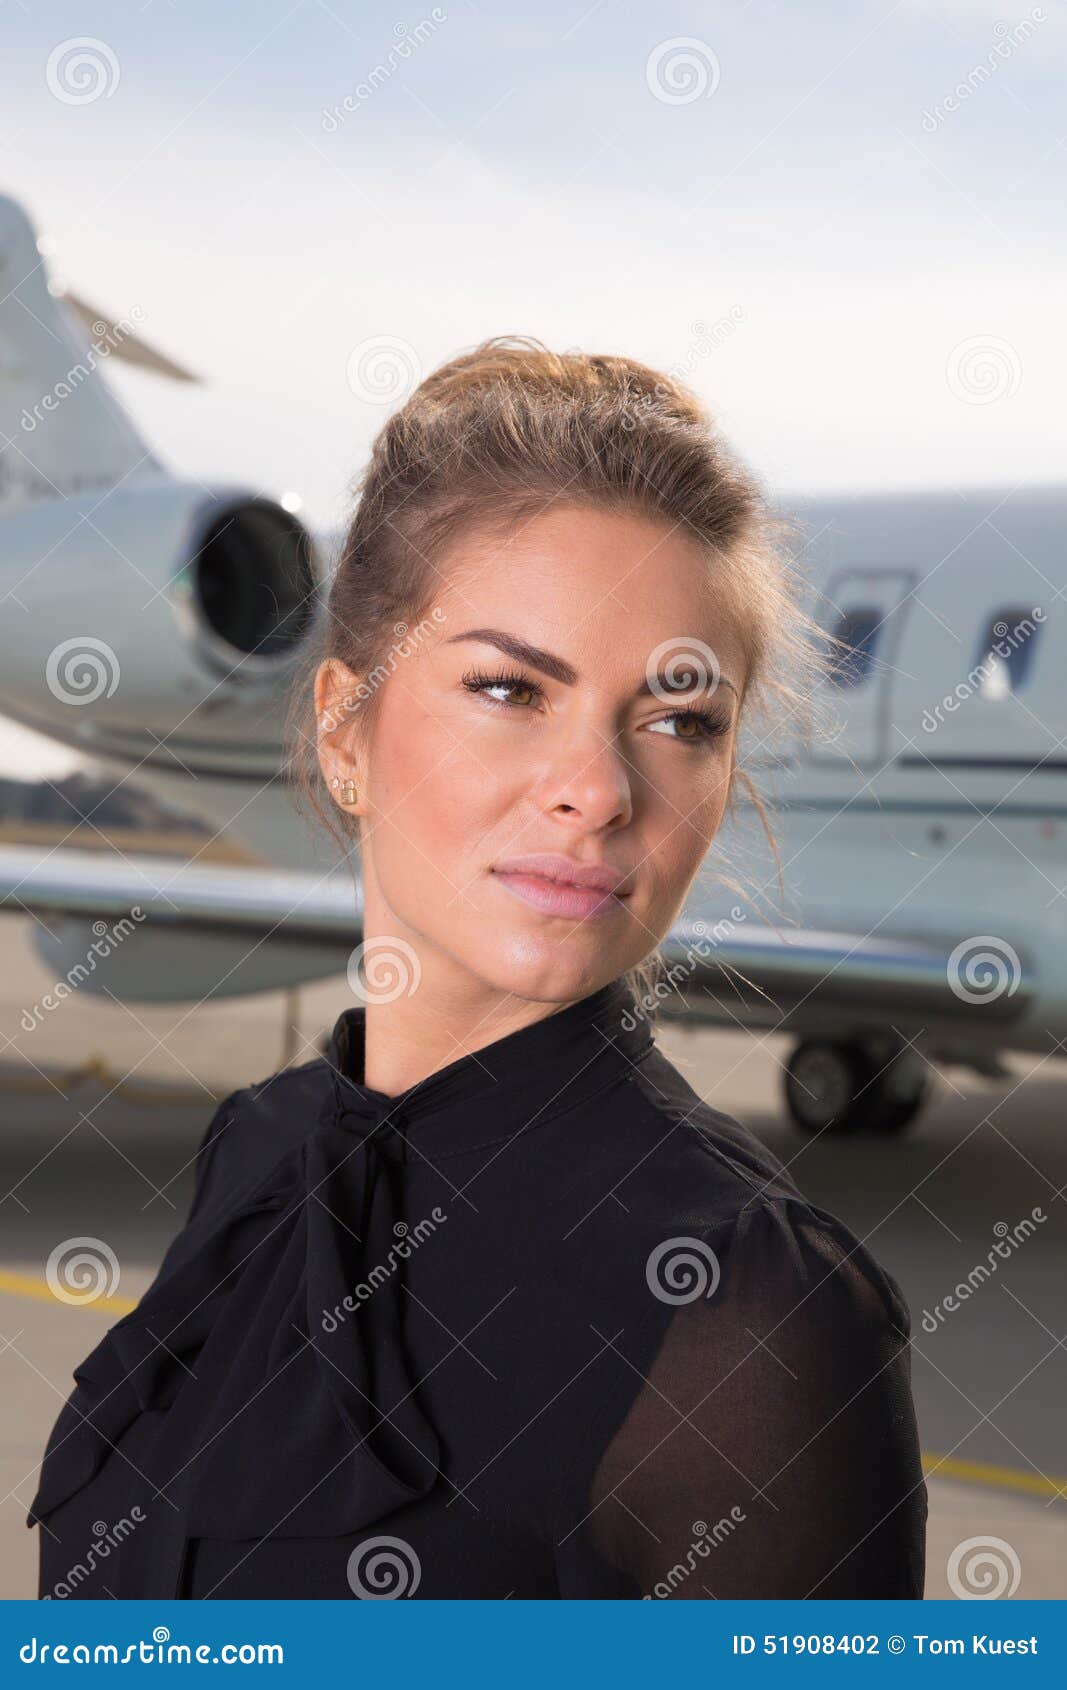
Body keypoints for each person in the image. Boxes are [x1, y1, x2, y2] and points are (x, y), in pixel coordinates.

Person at [29, 336, 927, 1599]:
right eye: (511, 688)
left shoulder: (749, 1320)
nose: (598, 792)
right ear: (346, 728)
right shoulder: (257, 1150)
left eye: (679, 719)